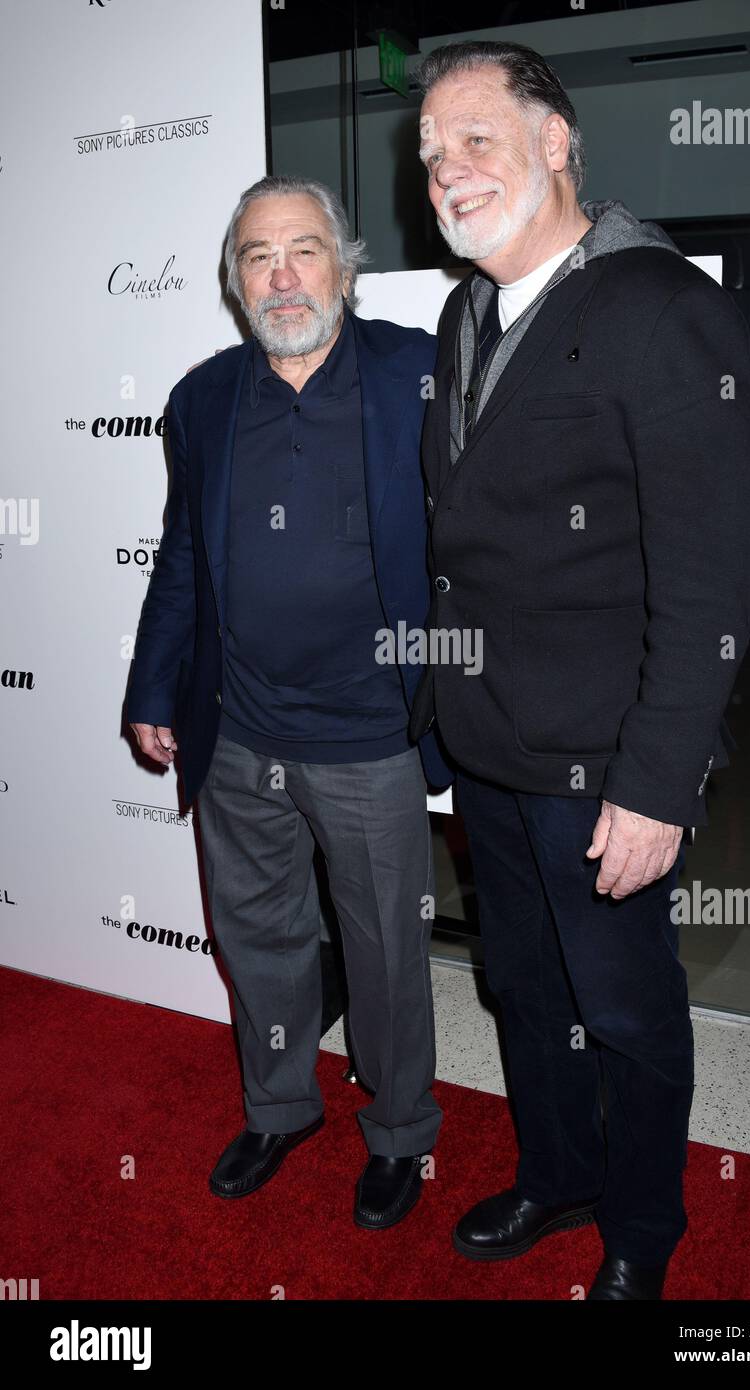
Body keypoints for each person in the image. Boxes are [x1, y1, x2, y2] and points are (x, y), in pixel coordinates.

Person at [409, 41, 750, 1299]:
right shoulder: (465, 313)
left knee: (624, 1009)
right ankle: (558, 1173)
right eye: (429, 153)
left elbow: (714, 577)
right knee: (521, 987)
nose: (446, 173)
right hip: (492, 748)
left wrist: (657, 784)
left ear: (556, 142)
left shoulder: (664, 308)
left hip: (605, 761)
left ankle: (642, 1228)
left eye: (475, 140)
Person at [126, 174, 452, 1230]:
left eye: (303, 249)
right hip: (240, 732)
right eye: (258, 257)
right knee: (257, 934)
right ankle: (279, 1104)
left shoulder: (416, 374)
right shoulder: (203, 399)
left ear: (343, 267)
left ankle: (401, 1130)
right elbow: (182, 559)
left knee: (386, 950)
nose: (282, 274)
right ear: (235, 283)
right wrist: (152, 686)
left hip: (370, 736)